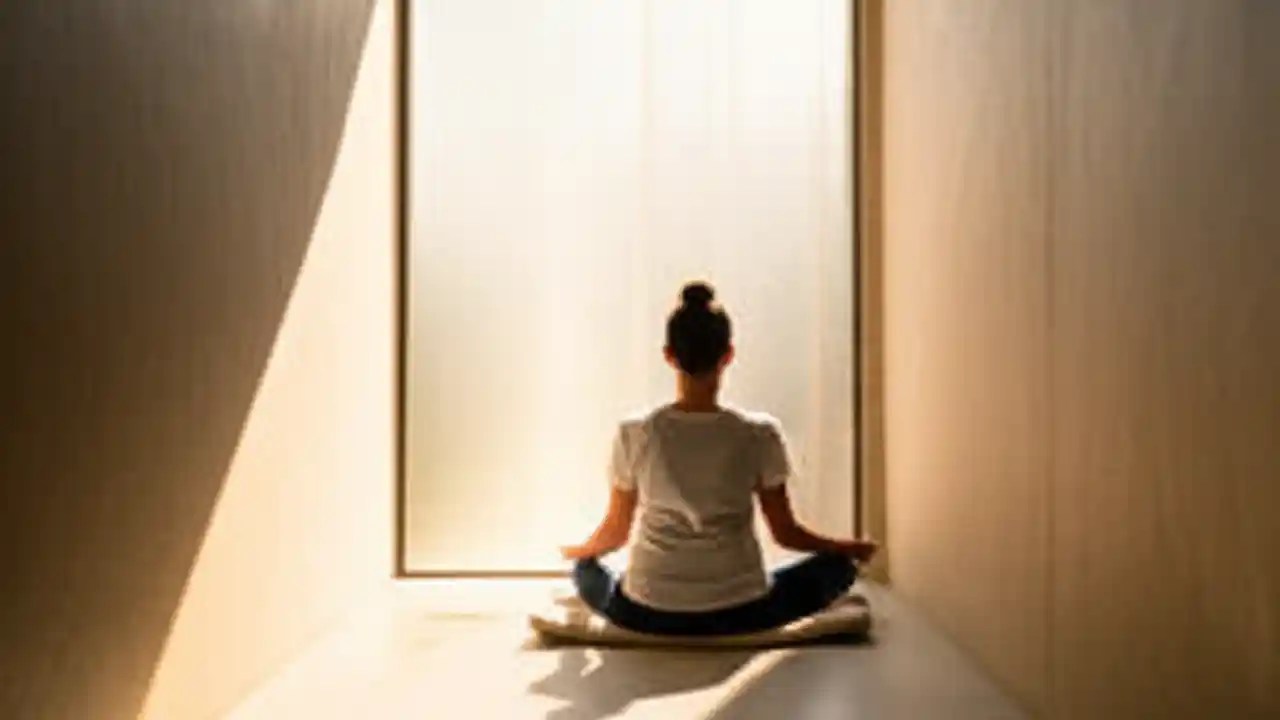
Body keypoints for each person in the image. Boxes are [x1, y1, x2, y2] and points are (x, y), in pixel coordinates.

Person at [559, 281, 878, 636]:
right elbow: (785, 533)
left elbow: (615, 534)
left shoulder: (634, 433)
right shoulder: (759, 434)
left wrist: (581, 552)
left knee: (585, 570)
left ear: (669, 355)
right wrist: (844, 547)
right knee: (839, 567)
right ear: (728, 355)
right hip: (743, 611)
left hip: (646, 612)